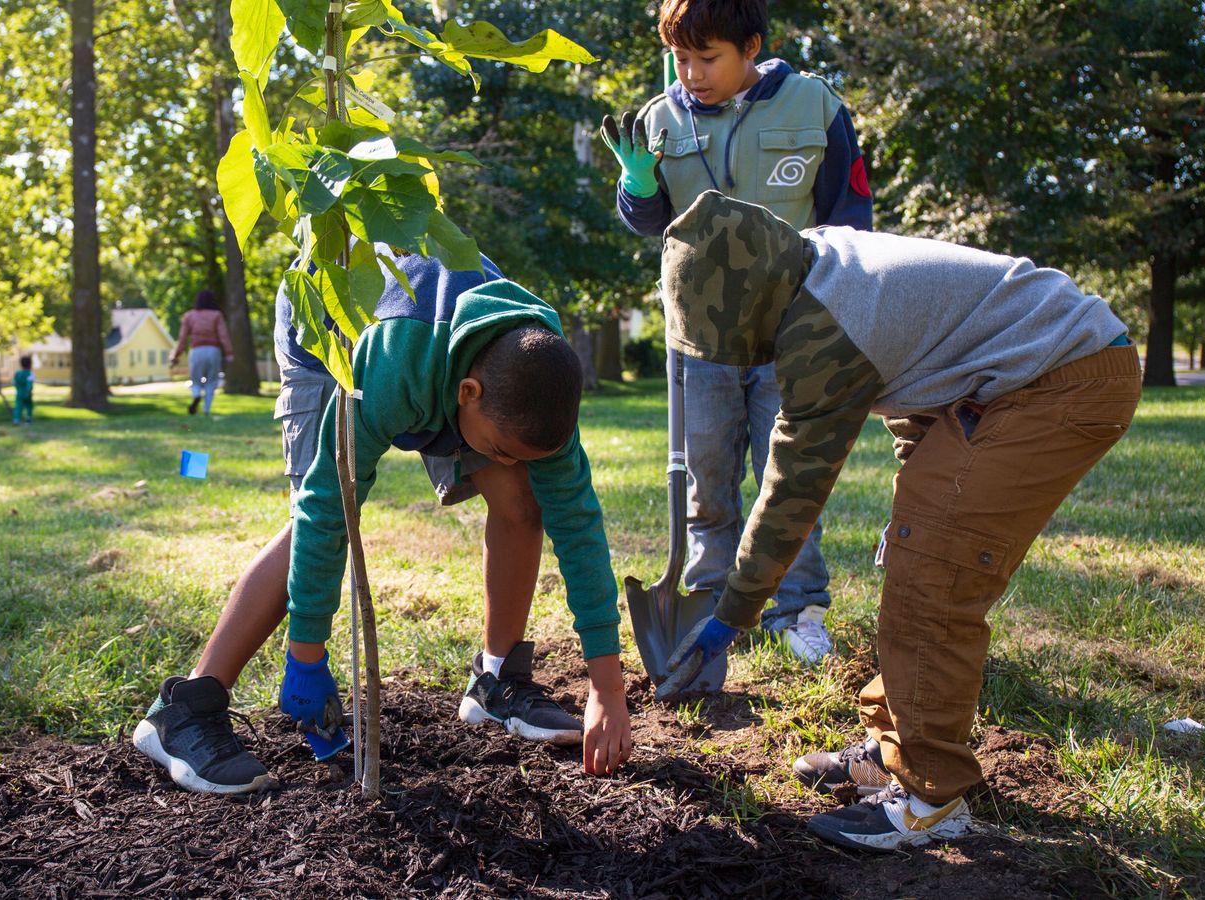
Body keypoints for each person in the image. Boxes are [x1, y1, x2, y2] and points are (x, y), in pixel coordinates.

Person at [656, 191, 1140, 851]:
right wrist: (921, 499)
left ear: (750, 301)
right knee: (917, 555)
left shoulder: (822, 326)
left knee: (932, 575)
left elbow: (795, 484)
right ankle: (893, 749)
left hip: (1059, 379)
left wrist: (732, 613)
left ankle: (930, 798)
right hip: (1009, 380)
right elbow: (923, 376)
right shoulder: (816, 261)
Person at [132, 251, 633, 794]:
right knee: (317, 523)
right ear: (468, 394)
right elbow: (327, 504)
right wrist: (306, 651)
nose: (507, 461)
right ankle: (184, 711)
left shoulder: (538, 382)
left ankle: (495, 679)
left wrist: (607, 687)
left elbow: (580, 531)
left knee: (522, 498)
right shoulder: (396, 361)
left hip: (446, 355)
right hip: (331, 328)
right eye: (500, 448)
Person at [601, 0, 873, 665]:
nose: (691, 73)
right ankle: (709, 605)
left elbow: (851, 212)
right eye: (681, 58)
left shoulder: (814, 107)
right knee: (707, 482)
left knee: (788, 479)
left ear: (750, 46)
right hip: (700, 340)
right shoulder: (659, 119)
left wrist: (833, 307)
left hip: (791, 333)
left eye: (708, 57)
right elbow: (646, 216)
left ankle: (798, 609)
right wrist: (637, 186)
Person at [172, 290, 234, 416]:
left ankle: (196, 395)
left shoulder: (189, 316)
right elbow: (223, 335)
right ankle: (206, 410)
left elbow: (182, 338)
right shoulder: (216, 315)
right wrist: (229, 352)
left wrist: (175, 355)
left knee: (195, 381)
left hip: (196, 351)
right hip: (213, 351)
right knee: (212, 381)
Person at [12, 355, 34, 425]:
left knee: (18, 406)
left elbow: (14, 382)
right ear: (30, 364)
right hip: (27, 393)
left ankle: (16, 419)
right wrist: (28, 391)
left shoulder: (17, 373)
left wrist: (18, 388)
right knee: (29, 406)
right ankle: (28, 419)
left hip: (19, 393)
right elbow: (29, 383)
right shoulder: (30, 373)